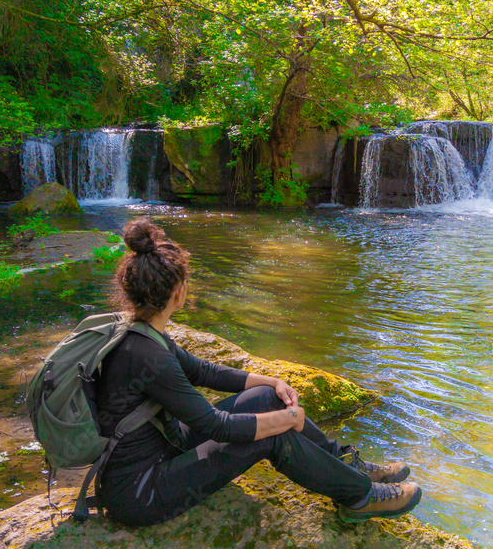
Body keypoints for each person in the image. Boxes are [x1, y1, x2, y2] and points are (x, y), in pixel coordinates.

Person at [94, 217, 421, 527]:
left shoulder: (141, 332)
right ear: (177, 292)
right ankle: (360, 496)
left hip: (163, 448)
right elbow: (215, 426)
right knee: (272, 435)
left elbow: (202, 371)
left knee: (267, 398)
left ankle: (345, 464)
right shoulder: (148, 354)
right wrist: (286, 420)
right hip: (140, 490)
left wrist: (273, 382)